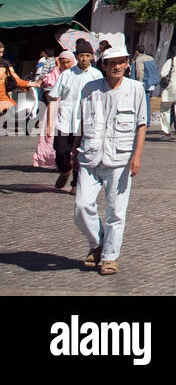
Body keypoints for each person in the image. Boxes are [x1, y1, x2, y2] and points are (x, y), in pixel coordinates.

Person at [72, 47, 147, 276]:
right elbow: (81, 122)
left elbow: (141, 124)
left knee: (116, 212)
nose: (116, 66)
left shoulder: (136, 89)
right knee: (82, 206)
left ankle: (109, 257)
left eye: (120, 62)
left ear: (127, 64)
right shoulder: (89, 89)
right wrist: (73, 151)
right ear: (102, 66)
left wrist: (137, 155)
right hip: (90, 156)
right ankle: (97, 243)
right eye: (111, 62)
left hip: (120, 159)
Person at [49, 40, 103, 190]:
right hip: (65, 120)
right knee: (60, 152)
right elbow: (53, 95)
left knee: (80, 154)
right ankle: (65, 170)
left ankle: (75, 183)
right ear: (76, 57)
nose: (84, 58)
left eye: (87, 55)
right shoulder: (66, 74)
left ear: (92, 57)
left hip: (85, 122)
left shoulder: (96, 75)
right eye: (81, 55)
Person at [33, 51, 73, 171]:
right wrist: (56, 68)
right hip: (56, 105)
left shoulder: (76, 74)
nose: (65, 65)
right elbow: (45, 83)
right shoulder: (56, 72)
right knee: (52, 133)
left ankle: (70, 161)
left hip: (71, 107)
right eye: (63, 62)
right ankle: (57, 161)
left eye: (68, 62)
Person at [0, 41, 33, 120]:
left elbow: (15, 79)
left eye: (2, 52)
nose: (1, 54)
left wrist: (29, 84)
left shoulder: (5, 64)